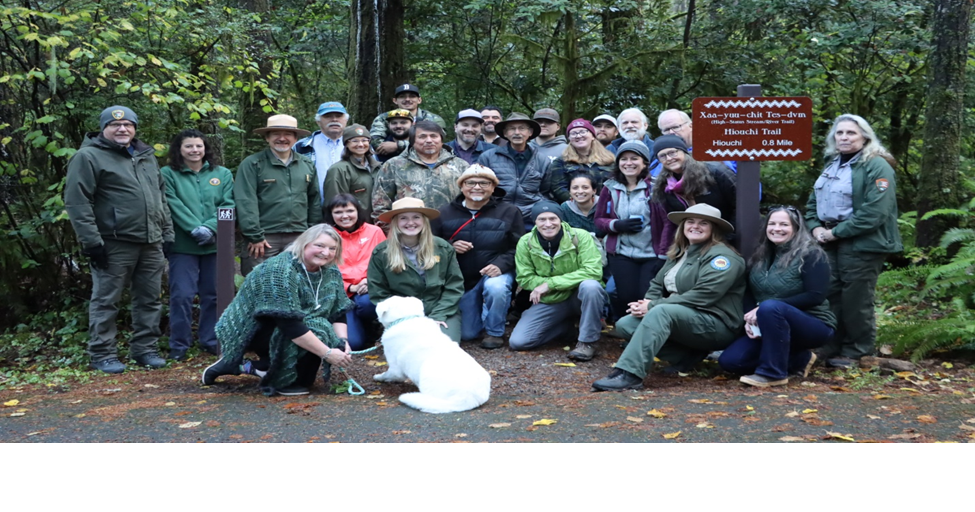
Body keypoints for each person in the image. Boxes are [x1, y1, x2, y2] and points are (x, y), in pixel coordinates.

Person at [64, 105, 174, 374]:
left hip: (150, 242)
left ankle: (145, 349)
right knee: (106, 300)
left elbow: (161, 198)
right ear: (104, 129)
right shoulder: (88, 157)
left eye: (128, 124)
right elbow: (78, 202)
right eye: (115, 125)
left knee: (149, 299)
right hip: (113, 243)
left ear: (135, 128)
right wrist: (91, 243)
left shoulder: (146, 156)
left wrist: (167, 233)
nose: (122, 128)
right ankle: (102, 353)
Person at [592, 204, 745, 391]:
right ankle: (686, 357)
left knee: (661, 311)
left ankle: (630, 374)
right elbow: (657, 284)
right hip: (683, 318)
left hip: (716, 323)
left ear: (714, 229)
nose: (695, 226)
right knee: (626, 324)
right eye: (690, 221)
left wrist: (654, 306)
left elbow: (705, 295)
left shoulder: (722, 257)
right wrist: (645, 304)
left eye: (703, 223)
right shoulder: (681, 252)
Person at [202, 225, 353, 397]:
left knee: (304, 381)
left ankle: (257, 366)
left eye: (332, 248)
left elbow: (338, 311)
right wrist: (327, 353)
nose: (326, 253)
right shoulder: (280, 270)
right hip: (254, 328)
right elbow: (289, 323)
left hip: (301, 325)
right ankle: (252, 365)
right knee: (315, 332)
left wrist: (342, 342)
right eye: (319, 245)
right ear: (304, 244)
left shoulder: (330, 270)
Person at [805, 114, 903, 368]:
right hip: (828, 239)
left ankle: (857, 350)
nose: (844, 137)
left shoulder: (877, 165)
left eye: (851, 133)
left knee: (856, 298)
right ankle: (831, 345)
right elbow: (813, 203)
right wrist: (815, 228)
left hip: (862, 241)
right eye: (840, 133)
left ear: (865, 137)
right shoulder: (833, 164)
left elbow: (875, 212)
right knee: (830, 294)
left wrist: (836, 232)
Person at [719, 206, 836, 387]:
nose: (777, 228)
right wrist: (751, 319)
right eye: (772, 223)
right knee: (730, 362)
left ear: (796, 228)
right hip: (770, 323)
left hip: (813, 324)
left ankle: (773, 373)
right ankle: (798, 359)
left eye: (784, 224)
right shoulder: (761, 255)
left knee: (771, 306)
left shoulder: (811, 254)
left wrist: (764, 309)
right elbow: (749, 291)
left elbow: (815, 296)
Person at [431, 165, 524, 349]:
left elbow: (520, 247)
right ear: (462, 186)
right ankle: (481, 314)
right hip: (461, 279)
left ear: (493, 187)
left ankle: (494, 332)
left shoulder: (510, 212)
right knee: (468, 334)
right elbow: (430, 245)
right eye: (470, 182)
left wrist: (501, 264)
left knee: (496, 288)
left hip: (494, 273)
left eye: (484, 183)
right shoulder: (443, 213)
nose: (477, 187)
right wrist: (449, 246)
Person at [161, 129, 235, 361]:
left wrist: (210, 228)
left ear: (205, 148)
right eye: (189, 146)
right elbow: (171, 203)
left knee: (212, 295)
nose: (194, 150)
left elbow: (228, 203)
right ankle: (179, 344)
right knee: (181, 295)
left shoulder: (221, 174)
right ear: (179, 150)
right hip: (183, 245)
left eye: (198, 146)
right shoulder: (168, 174)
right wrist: (194, 227)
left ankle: (210, 340)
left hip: (215, 245)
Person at [509, 201, 608, 361]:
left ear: (561, 220)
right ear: (535, 221)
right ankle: (564, 328)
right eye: (542, 219)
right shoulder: (526, 242)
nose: (548, 224)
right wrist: (549, 287)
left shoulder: (580, 236)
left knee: (591, 286)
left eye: (553, 218)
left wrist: (549, 284)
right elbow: (524, 278)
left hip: (578, 296)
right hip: (551, 300)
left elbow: (593, 271)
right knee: (518, 342)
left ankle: (587, 343)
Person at [235, 114, 322, 276]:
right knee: (260, 282)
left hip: (298, 237)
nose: (282, 138)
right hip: (264, 239)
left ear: (295, 138)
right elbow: (246, 201)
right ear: (267, 137)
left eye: (288, 134)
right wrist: (255, 236)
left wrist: (311, 233)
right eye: (276, 134)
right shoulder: (253, 164)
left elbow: (314, 200)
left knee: (297, 282)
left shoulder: (306, 164)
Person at [367, 198, 465, 342]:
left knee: (443, 345)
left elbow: (454, 286)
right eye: (403, 218)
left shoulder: (443, 248)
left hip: (439, 309)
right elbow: (378, 292)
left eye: (416, 217)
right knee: (411, 347)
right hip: (403, 315)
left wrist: (438, 316)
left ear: (424, 220)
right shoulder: (381, 253)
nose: (410, 222)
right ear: (395, 222)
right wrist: (402, 318)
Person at [595, 140, 669, 320]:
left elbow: (668, 222)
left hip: (651, 253)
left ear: (644, 162)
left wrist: (663, 254)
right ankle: (629, 332)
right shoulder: (610, 187)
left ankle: (646, 335)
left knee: (646, 296)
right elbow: (598, 220)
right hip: (621, 252)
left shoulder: (656, 186)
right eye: (624, 159)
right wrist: (616, 225)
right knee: (626, 296)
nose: (628, 163)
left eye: (634, 158)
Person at [371, 120, 469, 227]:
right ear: (412, 141)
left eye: (433, 136)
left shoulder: (460, 165)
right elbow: (380, 205)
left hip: (452, 230)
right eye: (422, 137)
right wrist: (391, 233)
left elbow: (471, 201)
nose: (429, 140)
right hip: (409, 231)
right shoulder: (394, 165)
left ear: (441, 140)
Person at [651, 134, 737, 247]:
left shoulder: (715, 172)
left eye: (673, 152)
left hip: (730, 237)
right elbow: (674, 221)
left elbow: (742, 204)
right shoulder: (664, 186)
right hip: (694, 242)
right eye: (662, 156)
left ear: (684, 152)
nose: (669, 158)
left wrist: (729, 236)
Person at [326, 194, 386, 350]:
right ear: (331, 214)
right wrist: (349, 287)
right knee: (354, 343)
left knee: (368, 303)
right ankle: (358, 329)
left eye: (350, 211)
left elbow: (385, 263)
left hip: (367, 290)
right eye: (338, 212)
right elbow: (322, 273)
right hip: (340, 295)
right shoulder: (326, 236)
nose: (345, 216)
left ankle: (372, 326)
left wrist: (369, 281)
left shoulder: (374, 232)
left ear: (358, 211)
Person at [477, 112, 552, 228]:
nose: (517, 133)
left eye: (522, 128)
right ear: (505, 133)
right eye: (512, 129)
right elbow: (480, 187)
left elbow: (545, 190)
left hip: (531, 217)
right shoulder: (488, 157)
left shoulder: (542, 160)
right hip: (496, 214)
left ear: (530, 132)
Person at [547, 119, 616, 203]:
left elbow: (615, 185)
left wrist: (601, 204)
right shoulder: (560, 162)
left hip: (606, 207)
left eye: (583, 132)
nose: (578, 136)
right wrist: (582, 202)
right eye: (573, 133)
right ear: (569, 138)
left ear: (593, 136)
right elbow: (558, 189)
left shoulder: (609, 160)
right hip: (574, 208)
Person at [322, 124, 380, 222]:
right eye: (355, 141)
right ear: (346, 144)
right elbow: (333, 204)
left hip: (378, 226)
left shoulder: (379, 167)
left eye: (364, 140)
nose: (361, 144)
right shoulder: (338, 170)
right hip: (353, 227)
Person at [370, 84, 446, 158]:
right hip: (389, 158)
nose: (407, 99)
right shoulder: (383, 118)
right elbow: (375, 141)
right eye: (402, 97)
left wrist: (399, 146)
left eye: (412, 96)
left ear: (419, 100)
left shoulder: (434, 119)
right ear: (395, 100)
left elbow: (437, 142)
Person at [295, 101, 350, 201]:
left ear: (346, 120)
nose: (334, 119)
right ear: (318, 121)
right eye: (328, 116)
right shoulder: (302, 146)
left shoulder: (359, 145)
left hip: (350, 211)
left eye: (339, 116)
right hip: (312, 206)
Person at [657, 108, 736, 172]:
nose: (671, 132)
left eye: (676, 127)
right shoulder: (662, 158)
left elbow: (732, 175)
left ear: (691, 126)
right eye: (666, 130)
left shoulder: (714, 147)